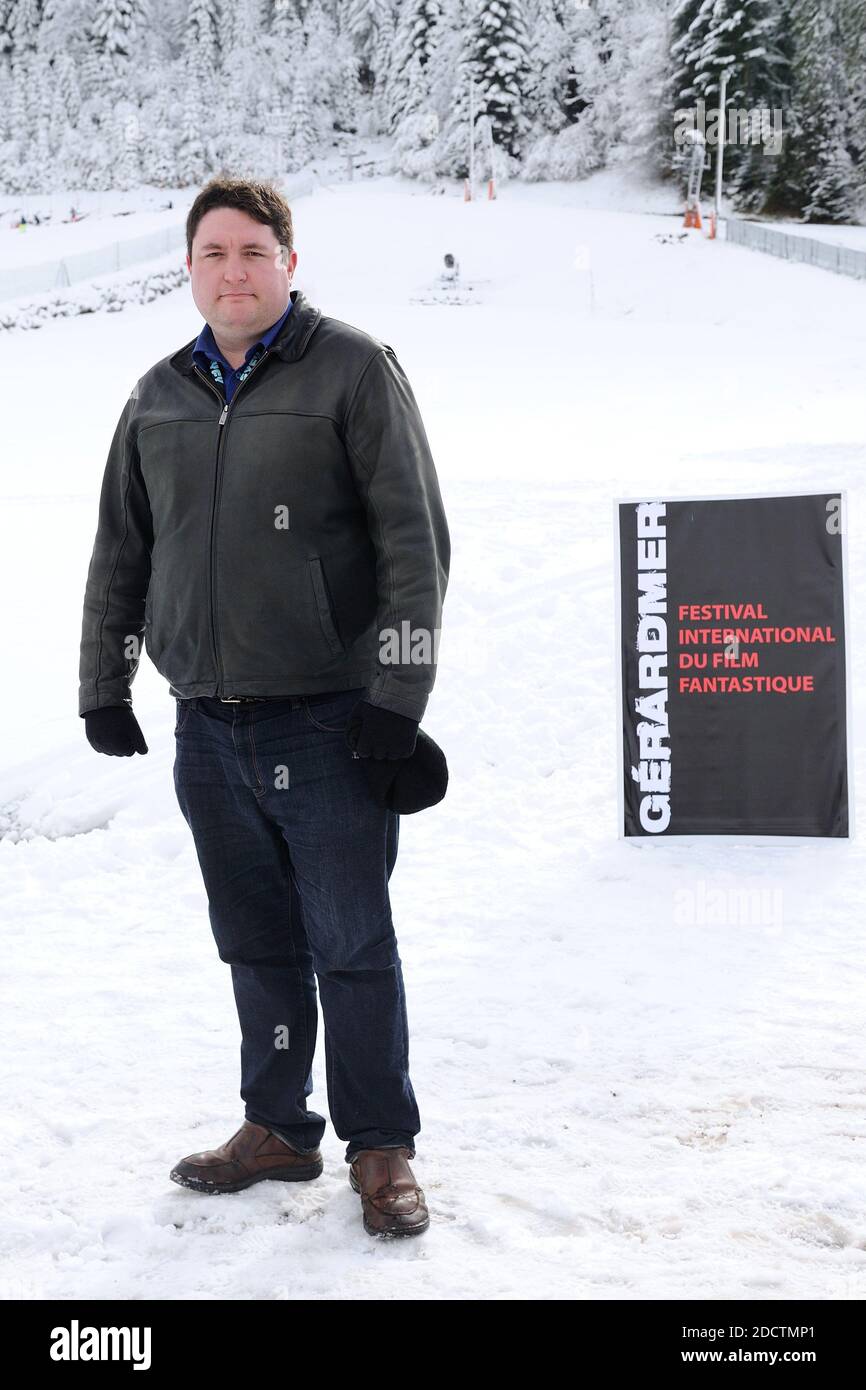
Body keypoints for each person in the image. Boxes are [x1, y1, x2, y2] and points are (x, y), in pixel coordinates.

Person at [78, 177, 450, 1238]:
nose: (231, 271)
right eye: (211, 254)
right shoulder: (157, 394)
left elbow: (413, 548)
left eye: (250, 251)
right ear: (188, 268)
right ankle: (279, 1124)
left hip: (328, 720)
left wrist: (397, 697)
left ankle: (380, 1146)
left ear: (288, 258)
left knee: (350, 941)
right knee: (255, 942)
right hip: (208, 723)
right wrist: (103, 683)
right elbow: (120, 551)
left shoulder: (350, 368)